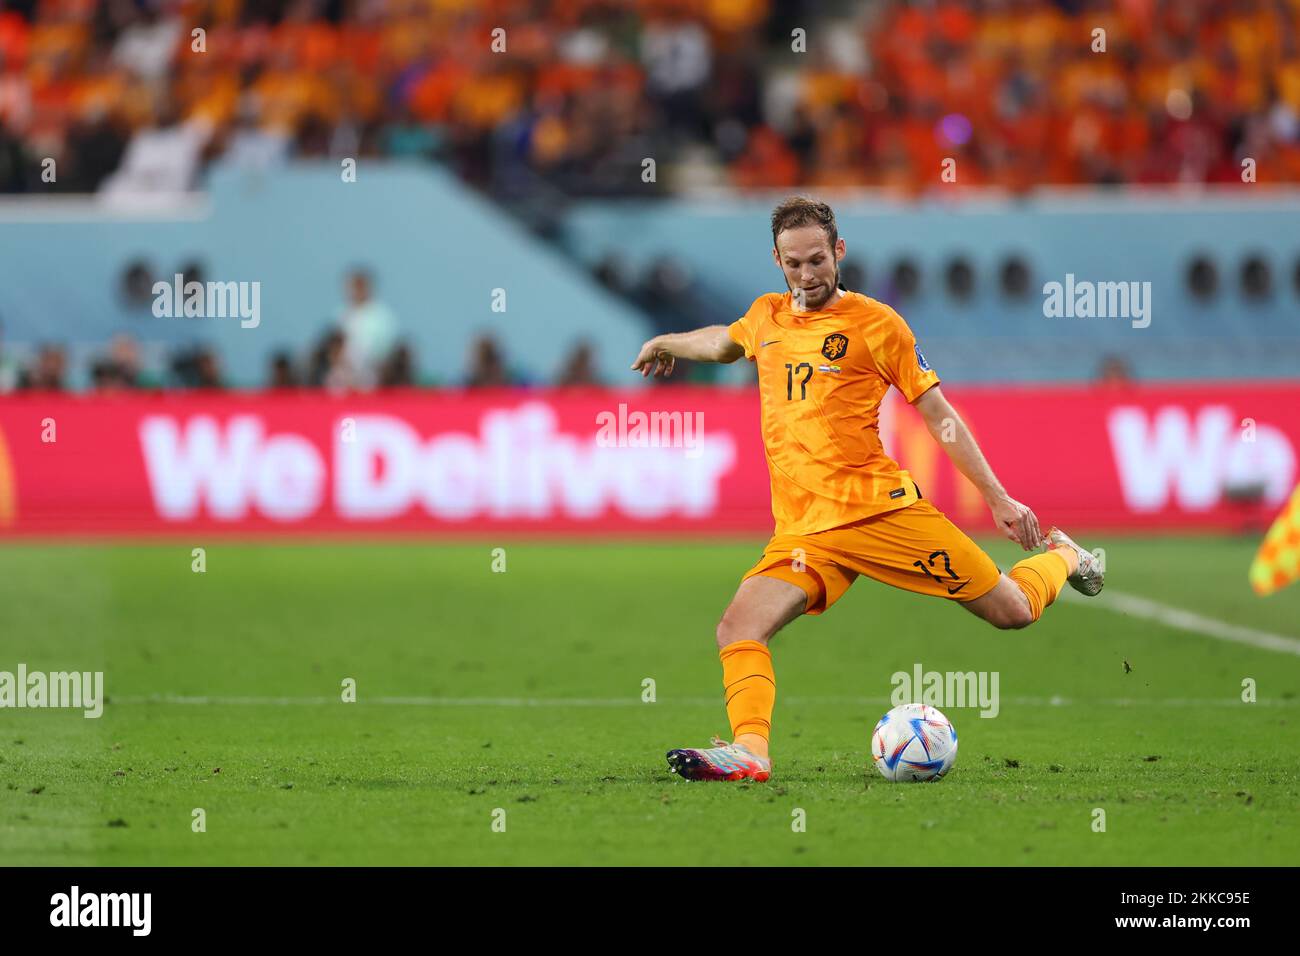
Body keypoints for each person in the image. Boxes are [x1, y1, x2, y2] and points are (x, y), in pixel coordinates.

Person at [630, 196, 1104, 783]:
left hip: (879, 514)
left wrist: (997, 497)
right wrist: (666, 341)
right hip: (804, 532)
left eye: (817, 260)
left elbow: (938, 414)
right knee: (738, 627)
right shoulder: (765, 317)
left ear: (839, 251)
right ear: (777, 261)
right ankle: (751, 751)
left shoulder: (877, 324)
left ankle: (1065, 556)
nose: (807, 274)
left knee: (1012, 611)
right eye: (793, 263)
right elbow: (724, 343)